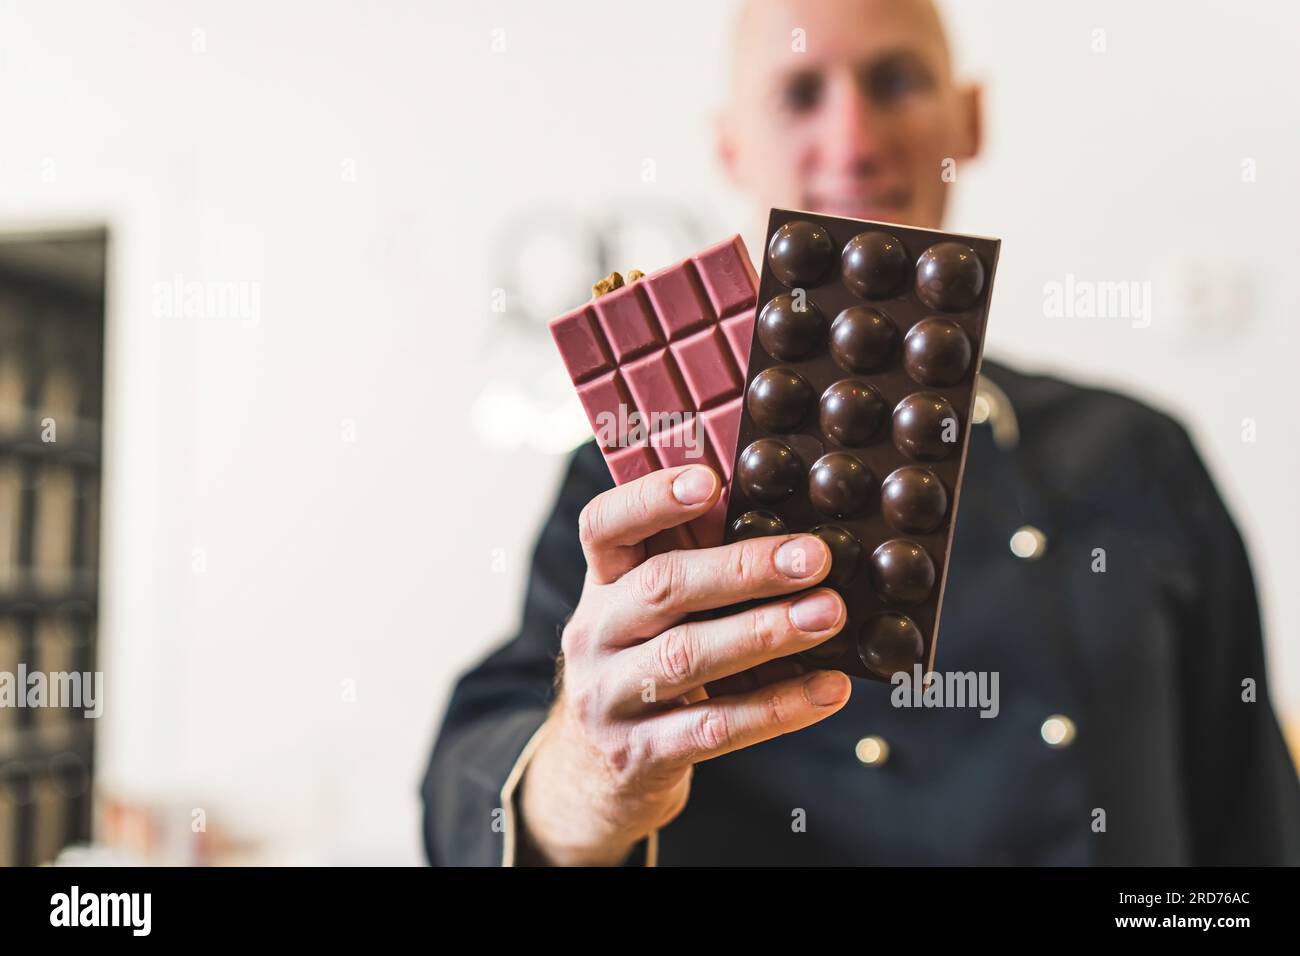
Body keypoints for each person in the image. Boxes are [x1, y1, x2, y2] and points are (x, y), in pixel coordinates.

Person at [422, 0, 1300, 865]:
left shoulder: (1138, 453)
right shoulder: (644, 474)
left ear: (970, 118)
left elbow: (1253, 817)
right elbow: (468, 788)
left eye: (896, 81)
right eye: (799, 94)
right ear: (732, 146)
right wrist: (591, 775)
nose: (853, 140)